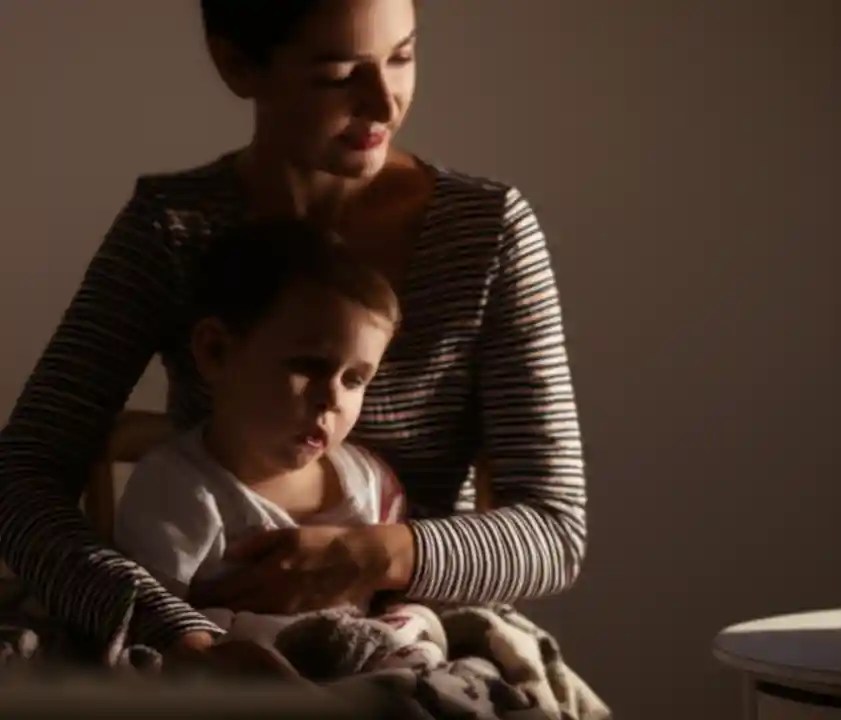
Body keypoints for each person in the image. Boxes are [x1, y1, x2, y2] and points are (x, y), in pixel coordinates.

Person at [0, 0, 586, 673]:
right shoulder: (174, 228)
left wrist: (372, 556)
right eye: (339, 75)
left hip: (408, 654)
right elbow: (21, 477)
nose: (384, 102)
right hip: (204, 639)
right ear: (237, 64)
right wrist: (180, 635)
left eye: (403, 56)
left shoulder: (487, 233)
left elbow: (554, 529)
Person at [114, 219, 407, 643]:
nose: (332, 398)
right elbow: (151, 621)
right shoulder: (178, 489)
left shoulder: (369, 482)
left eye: (355, 379)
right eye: (308, 366)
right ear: (216, 352)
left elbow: (388, 602)